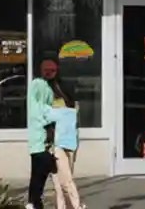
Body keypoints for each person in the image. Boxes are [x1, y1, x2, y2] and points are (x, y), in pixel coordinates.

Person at [25, 60, 59, 209]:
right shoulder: (37, 84)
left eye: (53, 70)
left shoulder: (49, 88)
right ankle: (33, 201)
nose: (50, 73)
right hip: (38, 134)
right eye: (48, 70)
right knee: (41, 169)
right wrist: (51, 117)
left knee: (40, 173)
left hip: (44, 136)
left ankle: (34, 202)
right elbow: (37, 108)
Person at [49, 77, 85, 209]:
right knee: (64, 180)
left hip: (59, 143)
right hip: (63, 144)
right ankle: (73, 205)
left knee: (62, 181)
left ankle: (75, 205)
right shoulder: (72, 106)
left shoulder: (56, 104)